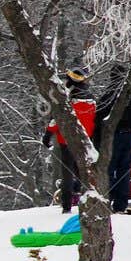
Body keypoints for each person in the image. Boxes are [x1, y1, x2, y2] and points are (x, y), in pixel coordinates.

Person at [43, 67, 97, 213]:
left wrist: (48, 134)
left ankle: (67, 206)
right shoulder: (91, 98)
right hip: (85, 139)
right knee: (82, 172)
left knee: (67, 173)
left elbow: (57, 119)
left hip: (66, 140)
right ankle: (86, 200)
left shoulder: (68, 98)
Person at [96, 81, 131, 213]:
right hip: (129, 135)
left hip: (113, 136)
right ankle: (121, 203)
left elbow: (99, 117)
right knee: (124, 170)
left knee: (110, 169)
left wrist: (98, 140)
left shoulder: (108, 96)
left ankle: (107, 199)